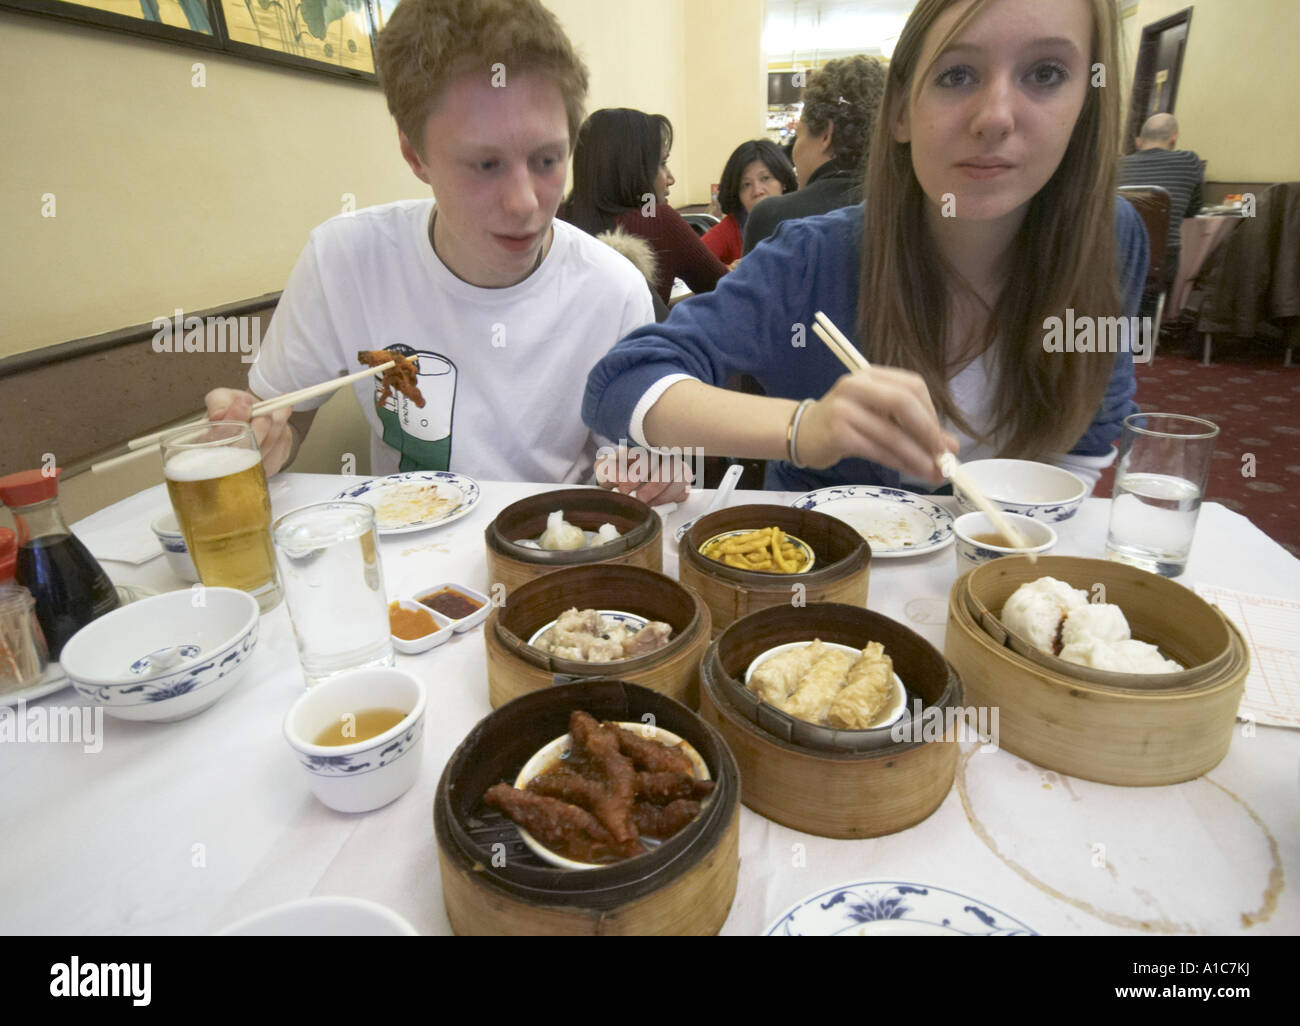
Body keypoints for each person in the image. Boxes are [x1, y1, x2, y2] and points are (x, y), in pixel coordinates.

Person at [584, 0, 1147, 497]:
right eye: (957, 75)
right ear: (900, 110)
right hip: (830, 583)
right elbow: (619, 383)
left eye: (1046, 73)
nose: (996, 116)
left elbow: (1090, 439)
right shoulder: (815, 257)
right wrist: (804, 429)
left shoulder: (1111, 239)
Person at [203, 0, 687, 504]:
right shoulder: (345, 258)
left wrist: (652, 469)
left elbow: (630, 460)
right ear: (415, 154)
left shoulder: (613, 289)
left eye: (547, 159)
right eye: (484, 164)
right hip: (409, 551)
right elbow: (284, 417)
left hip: (555, 553)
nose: (525, 203)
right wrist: (254, 439)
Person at [559, 109, 728, 305]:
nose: (671, 178)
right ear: (633, 170)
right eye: (662, 163)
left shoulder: (552, 223)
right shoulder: (659, 221)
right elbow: (727, 295)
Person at [742, 54, 887, 255]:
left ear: (827, 135)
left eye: (798, 134)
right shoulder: (904, 211)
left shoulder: (773, 216)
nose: (794, 150)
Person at [1118, 113, 1205, 290]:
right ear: (1174, 138)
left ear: (1139, 142)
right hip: (1160, 259)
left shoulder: (1118, 165)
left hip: (1117, 252)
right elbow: (1193, 209)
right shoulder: (1189, 161)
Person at [701, 140, 798, 266]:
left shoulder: (803, 219)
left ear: (783, 182)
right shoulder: (731, 228)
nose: (757, 191)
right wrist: (726, 271)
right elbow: (691, 264)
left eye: (765, 178)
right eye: (746, 184)